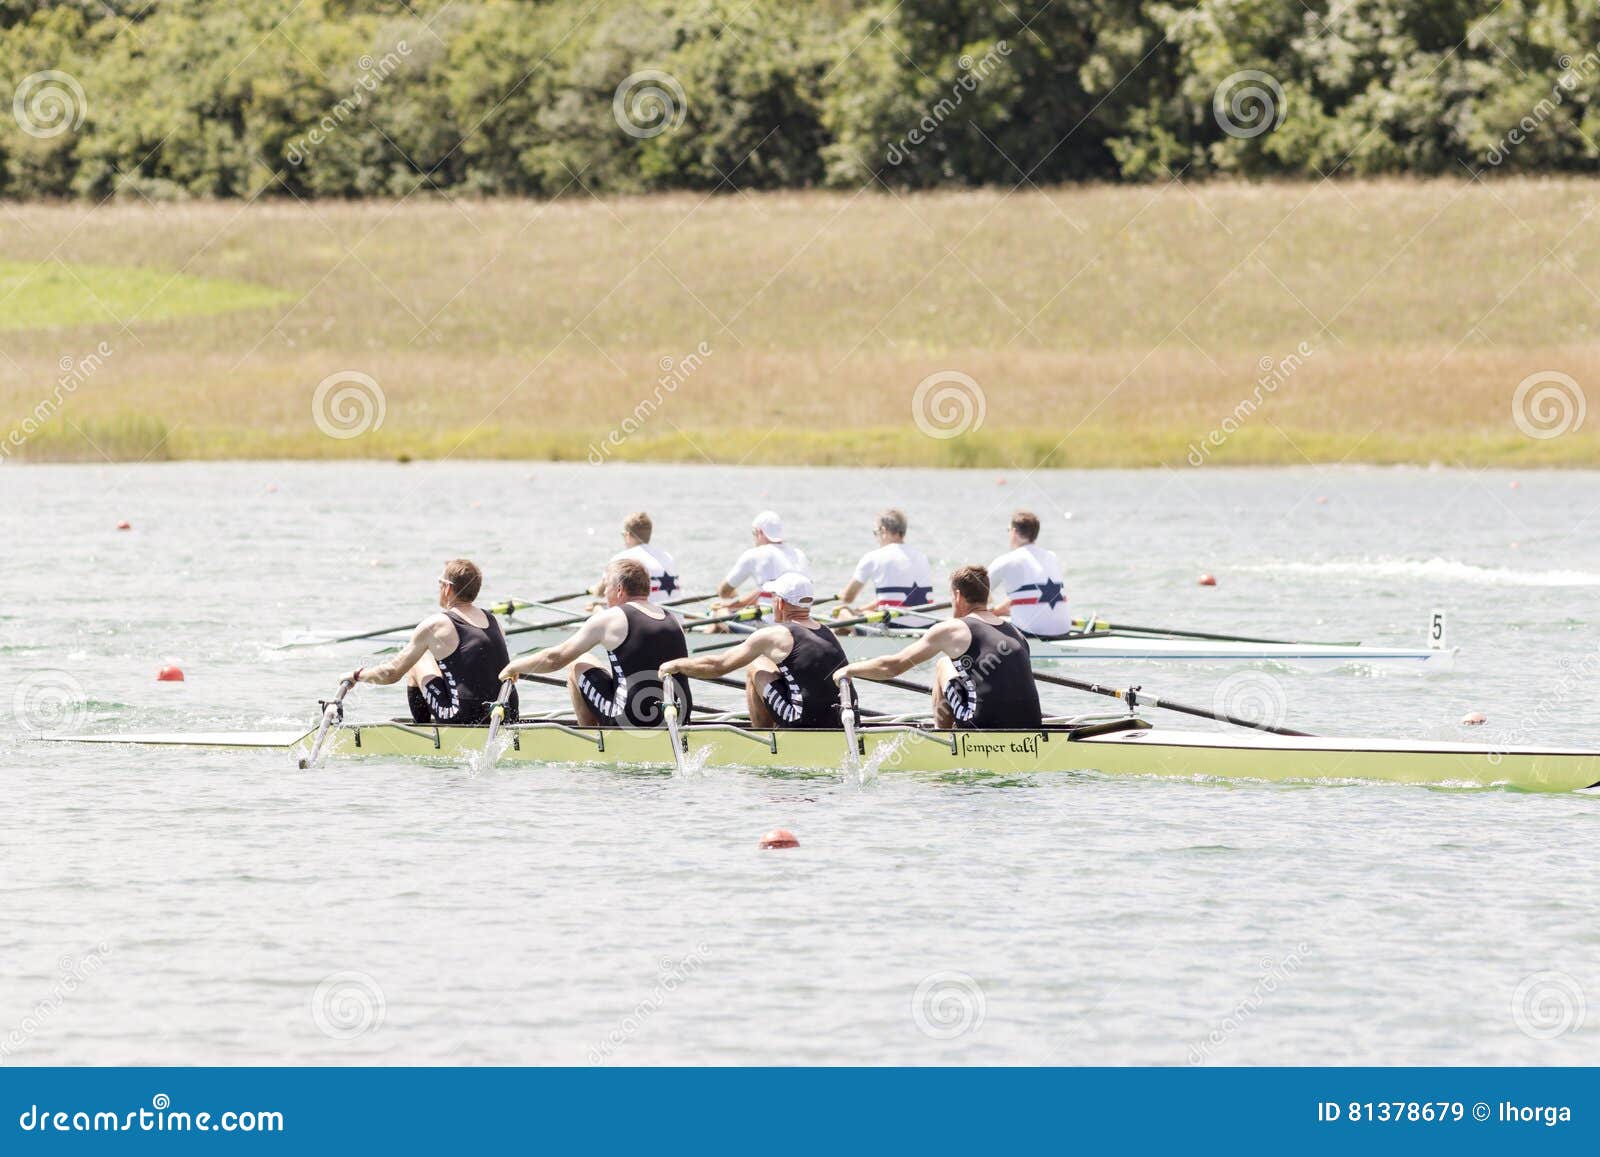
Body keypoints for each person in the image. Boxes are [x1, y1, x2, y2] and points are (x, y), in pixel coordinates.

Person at [833, 565, 1041, 730]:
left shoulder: (952, 629)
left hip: (983, 724)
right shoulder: (1016, 632)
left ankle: (944, 739)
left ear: (958, 596)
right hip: (1032, 725)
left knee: (943, 664)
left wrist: (850, 669)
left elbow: (893, 667)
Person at [501, 558, 691, 728]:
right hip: (679, 715)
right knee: (596, 662)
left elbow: (555, 659)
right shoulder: (672, 618)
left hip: (632, 719)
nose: (603, 593)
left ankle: (592, 739)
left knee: (577, 665)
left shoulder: (610, 619)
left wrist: (514, 666)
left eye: (606, 585)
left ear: (619, 589)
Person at [661, 572, 845, 728]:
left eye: (773, 597)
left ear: (780, 603)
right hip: (842, 720)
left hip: (802, 721)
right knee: (770, 663)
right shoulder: (828, 631)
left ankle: (764, 739)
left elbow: (718, 666)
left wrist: (677, 664)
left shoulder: (774, 635)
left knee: (755, 667)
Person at [349, 558, 517, 725]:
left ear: (448, 588)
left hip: (464, 716)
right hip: (507, 712)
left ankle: (424, 732)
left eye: (440, 583)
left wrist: (357, 676)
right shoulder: (494, 621)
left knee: (417, 663)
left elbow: (392, 673)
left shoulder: (436, 624)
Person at [986, 510, 1073, 637]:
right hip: (1064, 630)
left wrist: (992, 612)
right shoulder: (1052, 556)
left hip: (1030, 633)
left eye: (1008, 530)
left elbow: (977, 594)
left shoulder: (1005, 560)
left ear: (1014, 532)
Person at [837, 508, 936, 618]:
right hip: (927, 624)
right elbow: (899, 597)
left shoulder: (872, 557)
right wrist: (860, 610)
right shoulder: (922, 557)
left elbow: (848, 598)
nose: (876, 538)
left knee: (842, 612)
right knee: (861, 613)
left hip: (892, 625)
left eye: (876, 533)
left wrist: (842, 594)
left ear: (883, 530)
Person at [717, 510, 809, 612]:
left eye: (753, 533)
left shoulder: (755, 553)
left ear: (759, 532)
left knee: (719, 612)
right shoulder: (799, 554)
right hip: (801, 618)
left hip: (771, 621)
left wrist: (731, 597)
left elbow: (724, 592)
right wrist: (736, 604)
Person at [592, 511, 681, 603]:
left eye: (623, 535)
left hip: (650, 615)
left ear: (628, 535)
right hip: (675, 615)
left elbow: (601, 592)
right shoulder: (667, 556)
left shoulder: (622, 558)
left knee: (596, 606)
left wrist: (594, 590)